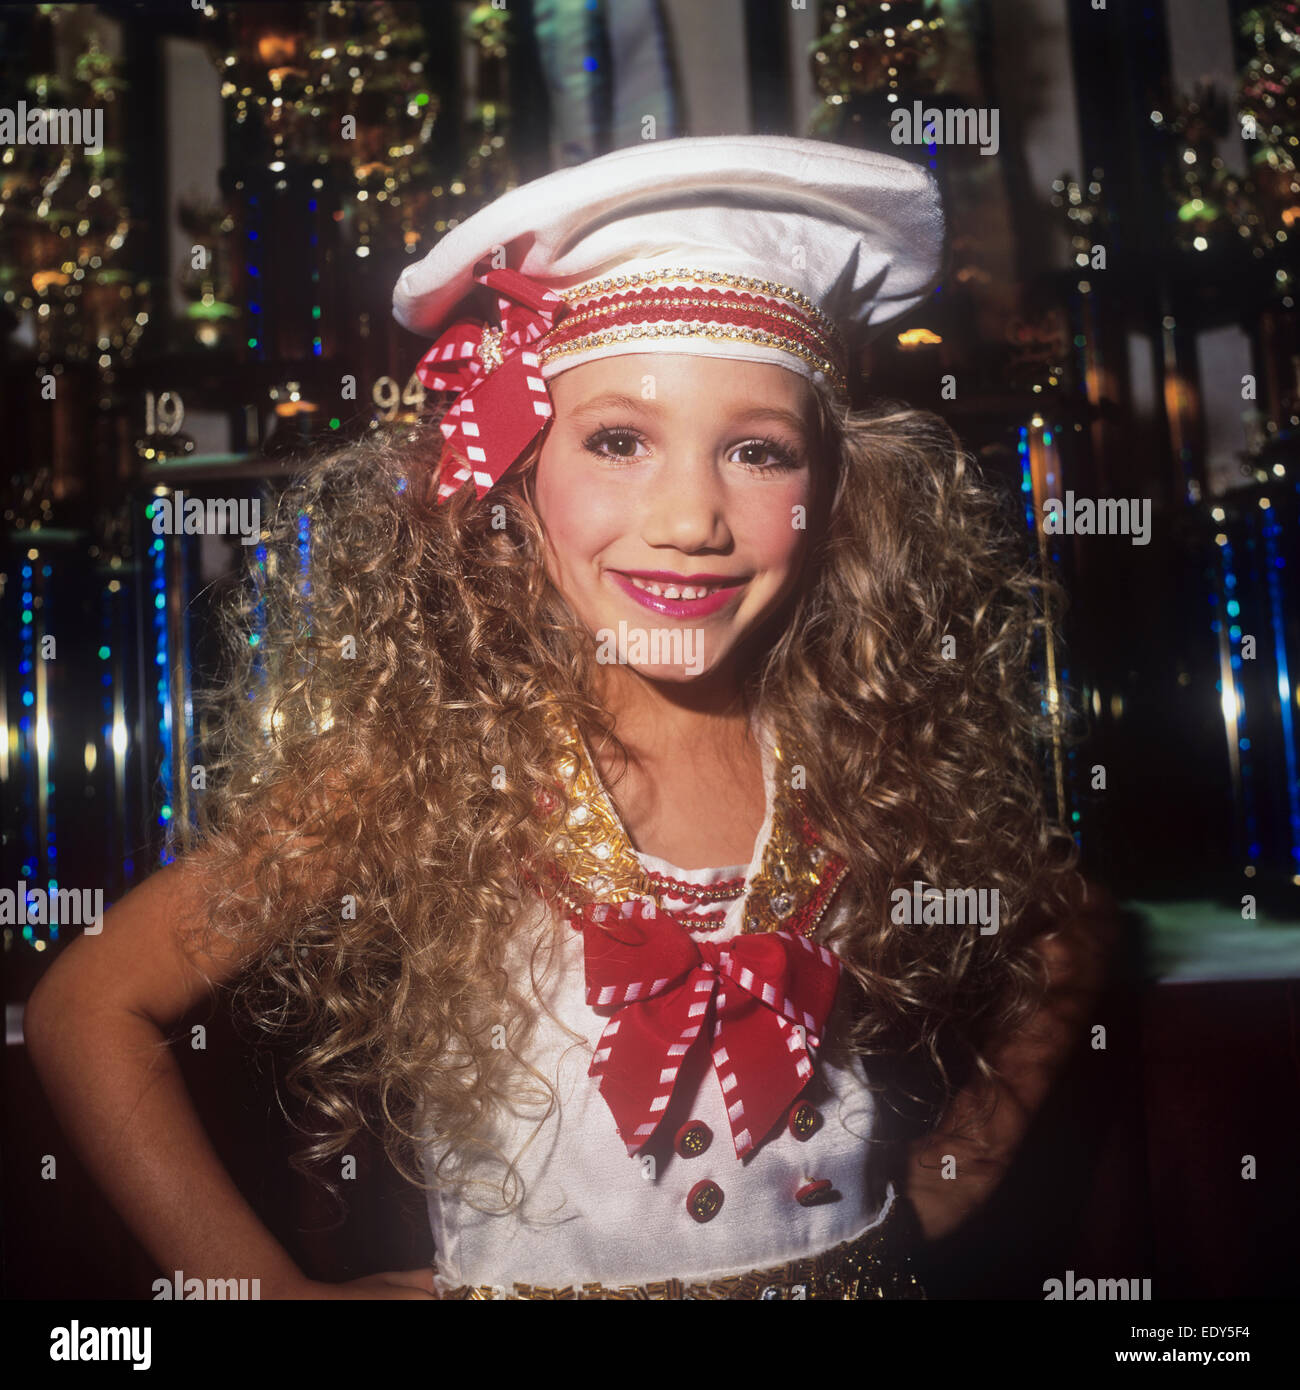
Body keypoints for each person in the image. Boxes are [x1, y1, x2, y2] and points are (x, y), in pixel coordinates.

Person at [25, 135, 1108, 1300]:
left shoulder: (862, 746)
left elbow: (1073, 925)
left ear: (836, 497)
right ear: (518, 474)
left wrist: (956, 1166)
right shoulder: (441, 762)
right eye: (619, 440)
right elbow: (91, 1002)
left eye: (756, 450)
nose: (691, 514)